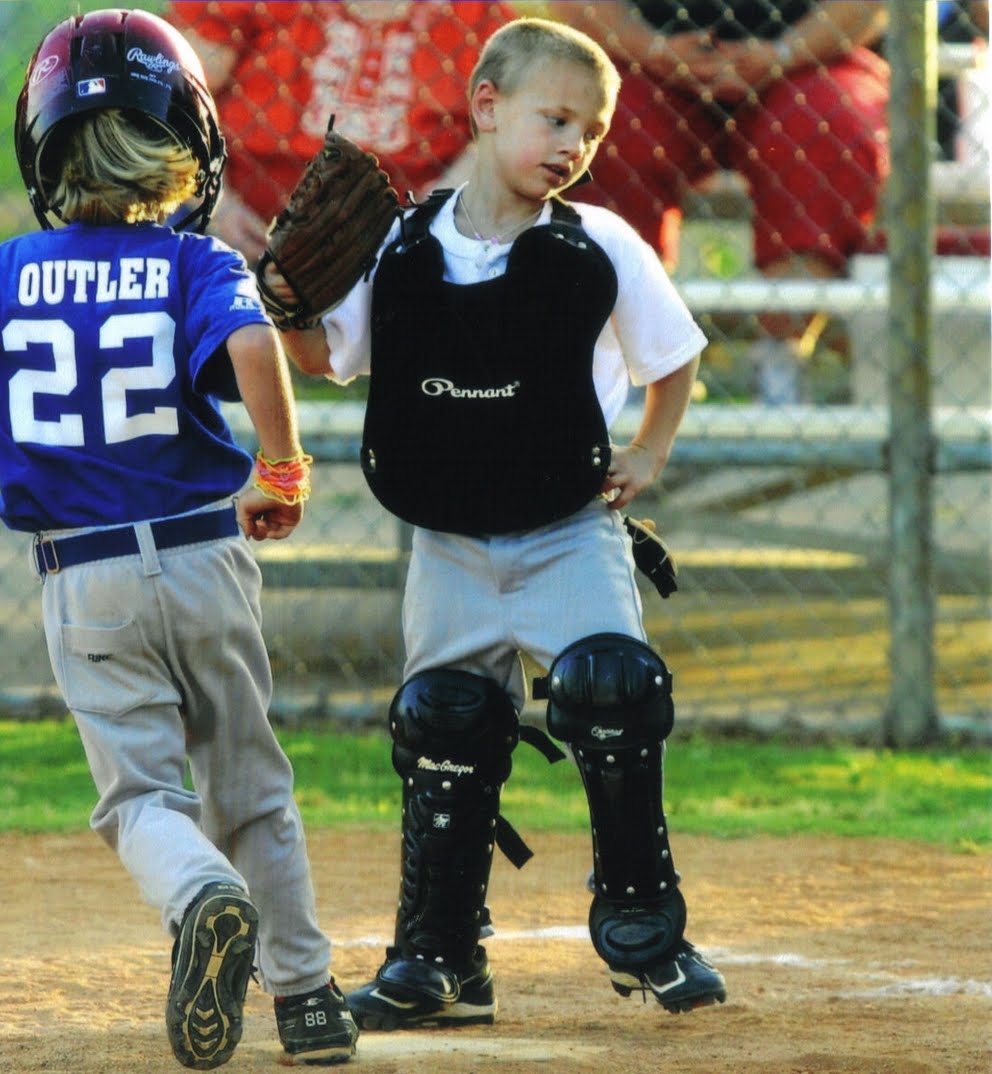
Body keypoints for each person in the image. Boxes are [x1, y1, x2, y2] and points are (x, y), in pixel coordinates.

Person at [0, 10, 357, 1069]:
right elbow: (248, 340)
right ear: (186, 140)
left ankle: (199, 896)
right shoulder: (193, 265)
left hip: (86, 580)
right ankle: (310, 1000)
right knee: (250, 782)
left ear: (38, 146)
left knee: (143, 794)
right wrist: (279, 467)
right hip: (203, 555)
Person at [267, 17, 728, 1031]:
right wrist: (294, 306)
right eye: (554, 118)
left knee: (612, 688)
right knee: (442, 720)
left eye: (591, 132)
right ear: (485, 107)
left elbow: (675, 351)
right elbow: (321, 363)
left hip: (567, 528)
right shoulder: (400, 248)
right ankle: (438, 955)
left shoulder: (594, 245)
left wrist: (647, 450)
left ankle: (643, 919)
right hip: (449, 542)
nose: (574, 144)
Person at [546, 1, 890, 405]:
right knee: (603, 128)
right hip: (647, 62)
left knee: (824, 126)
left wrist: (784, 53)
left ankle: (782, 359)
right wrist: (652, 49)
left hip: (810, 58)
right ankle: (628, 365)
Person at [165, 1, 516, 265]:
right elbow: (168, 100)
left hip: (409, 237)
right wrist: (216, 204)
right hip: (240, 226)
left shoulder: (477, 17)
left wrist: (439, 209)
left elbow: (507, 129)